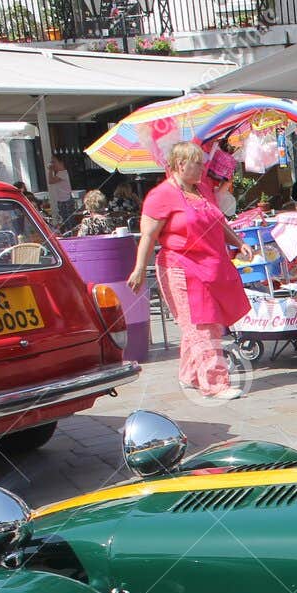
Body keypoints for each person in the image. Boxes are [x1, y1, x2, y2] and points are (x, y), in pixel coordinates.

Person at [127, 142, 250, 400]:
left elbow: (218, 221)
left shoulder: (203, 189)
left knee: (201, 325)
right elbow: (149, 236)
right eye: (198, 163)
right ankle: (215, 384)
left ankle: (189, 375)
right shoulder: (160, 196)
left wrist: (238, 242)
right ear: (181, 164)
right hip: (181, 268)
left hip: (210, 267)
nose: (203, 168)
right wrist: (139, 268)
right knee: (202, 326)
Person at [46, 155, 74, 223]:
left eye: (54, 162)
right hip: (62, 200)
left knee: (68, 220)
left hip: (66, 200)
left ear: (61, 163)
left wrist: (50, 170)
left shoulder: (63, 173)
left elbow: (51, 181)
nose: (52, 164)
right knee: (63, 220)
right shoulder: (59, 173)